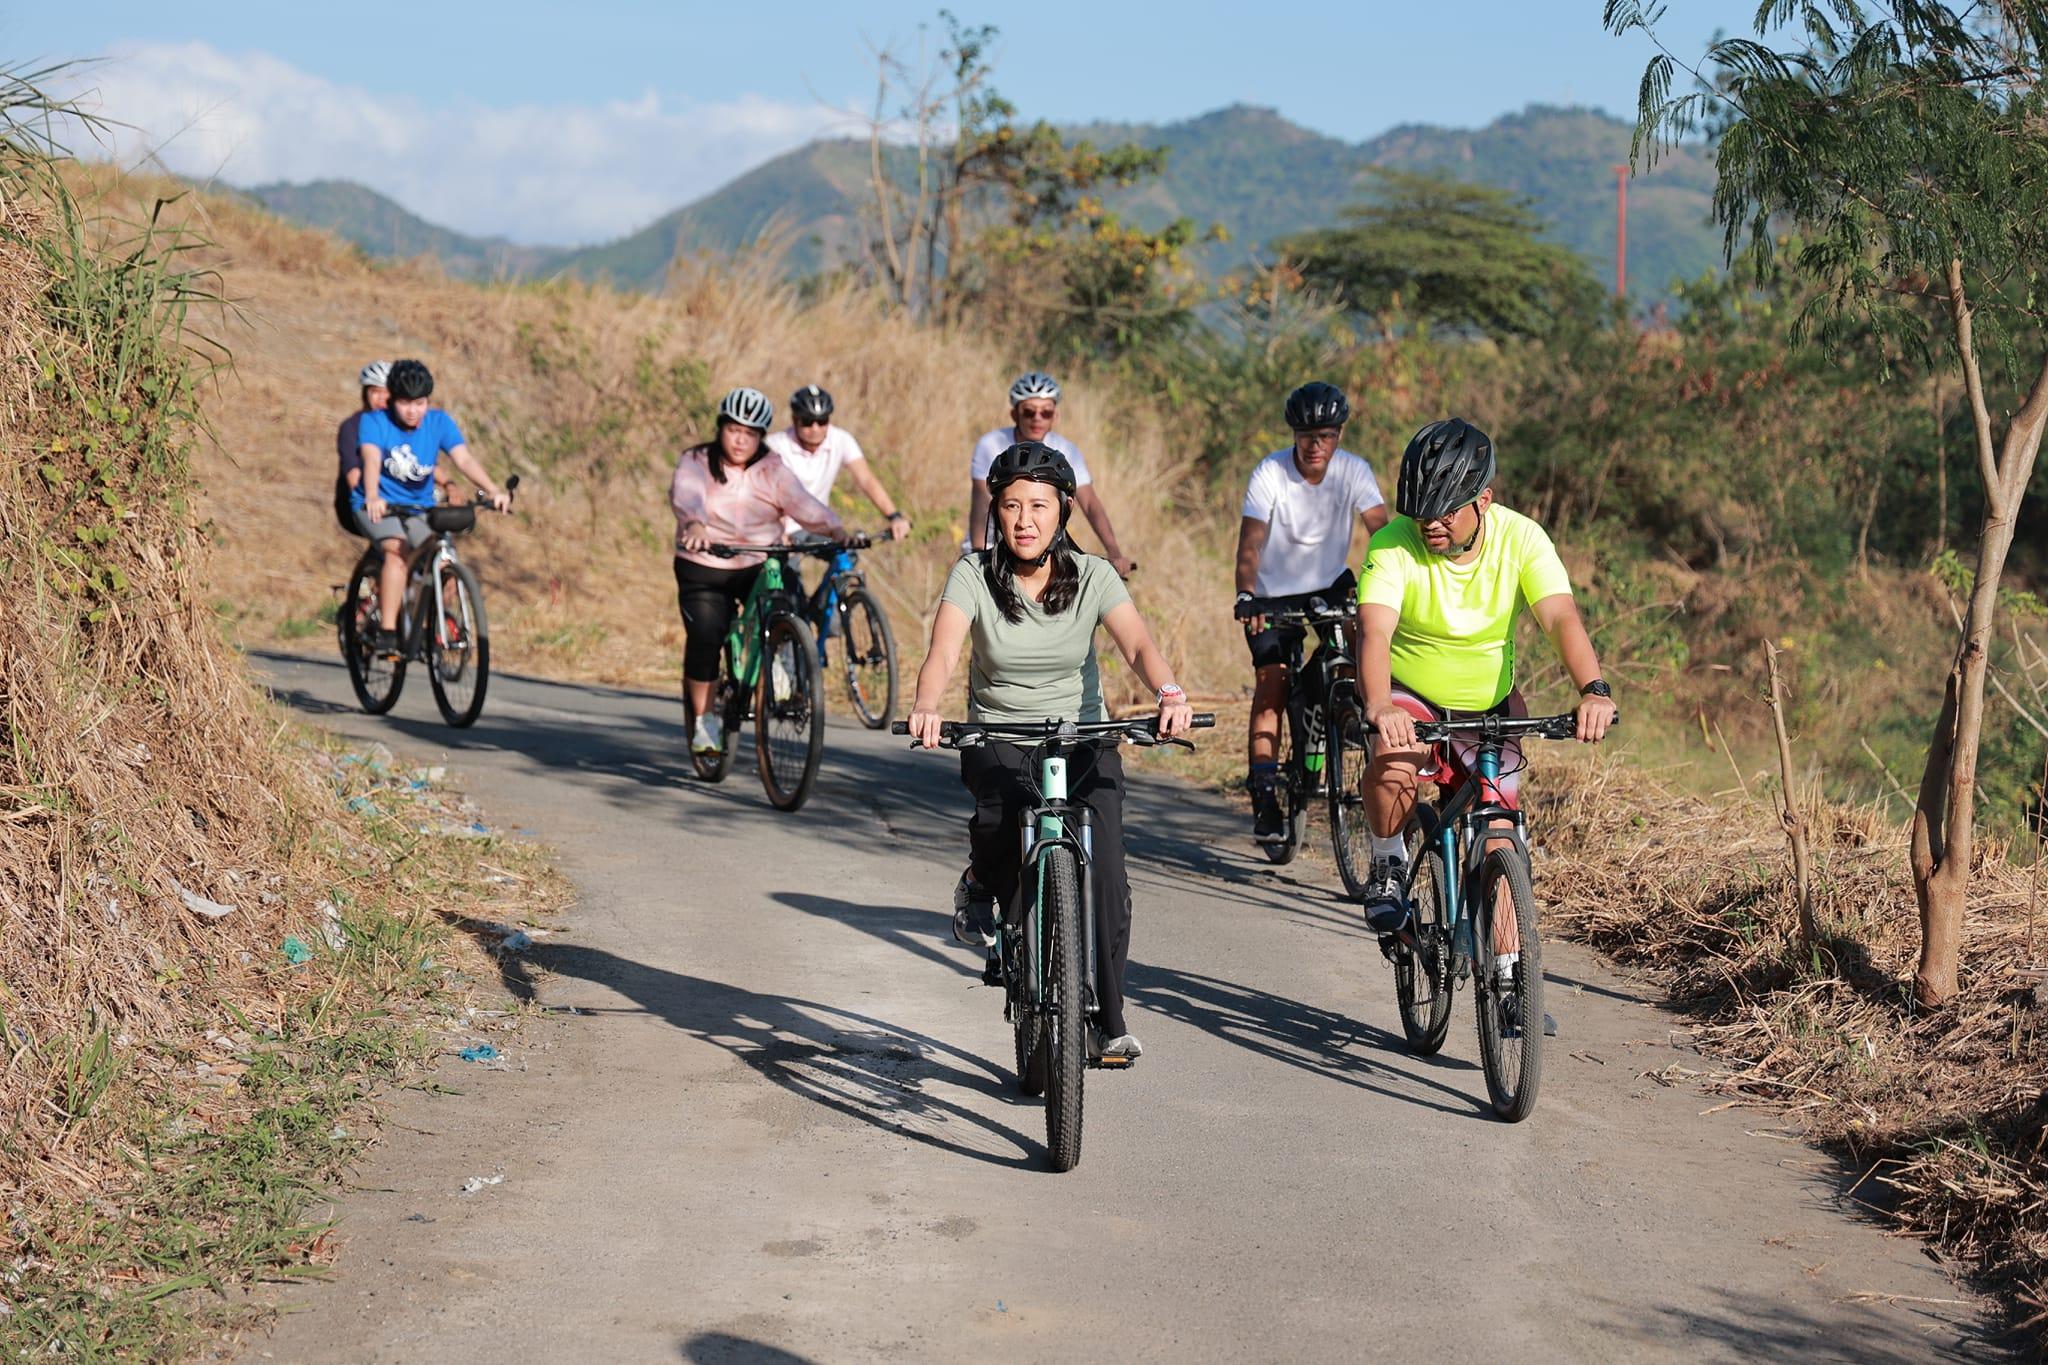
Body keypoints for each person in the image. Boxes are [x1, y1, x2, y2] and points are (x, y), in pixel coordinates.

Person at [908, 441, 1193, 1063]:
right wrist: (928, 704)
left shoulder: (1093, 575)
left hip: (1081, 738)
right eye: (1010, 506)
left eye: (1039, 505)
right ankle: (985, 884)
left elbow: (1138, 644)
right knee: (997, 827)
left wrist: (1168, 692)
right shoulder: (973, 574)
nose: (1024, 520)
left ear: (1064, 510)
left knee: (1111, 879)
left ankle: (1109, 1021)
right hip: (1000, 737)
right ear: (996, 512)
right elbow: (945, 653)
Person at [1355, 417, 1617, 974]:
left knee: (1500, 832)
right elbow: (1374, 632)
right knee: (1396, 763)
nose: (1432, 523)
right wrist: (1379, 705)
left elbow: (1561, 617)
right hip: (1411, 694)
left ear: (1484, 501)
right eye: (1422, 509)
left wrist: (1593, 690)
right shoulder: (1391, 545)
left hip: (1490, 705)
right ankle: (1387, 859)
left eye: (1447, 510)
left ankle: (1509, 976)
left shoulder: (1522, 539)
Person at [1235, 381, 1390, 842]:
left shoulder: (1354, 471)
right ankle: (1264, 793)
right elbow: (1251, 543)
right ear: (1294, 434)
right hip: (1272, 591)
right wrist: (1248, 594)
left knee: (1361, 649)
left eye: (1325, 434)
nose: (1315, 445)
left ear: (1339, 433)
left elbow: (1381, 534)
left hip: (1329, 583)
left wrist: (1391, 587)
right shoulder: (1271, 472)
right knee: (1273, 683)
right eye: (1306, 435)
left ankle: (1347, 732)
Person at [672, 386, 849, 756]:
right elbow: (687, 496)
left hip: (757, 560)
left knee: (787, 603)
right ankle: (705, 721)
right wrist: (695, 526)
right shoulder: (697, 460)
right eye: (734, 430)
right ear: (721, 428)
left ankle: (780, 671)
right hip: (705, 564)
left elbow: (801, 503)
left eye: (750, 433)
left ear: (760, 436)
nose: (740, 440)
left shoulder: (772, 468)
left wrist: (834, 528)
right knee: (706, 633)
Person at [354, 359, 512, 656]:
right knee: (397, 551)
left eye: (420, 403)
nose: (413, 411)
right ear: (392, 400)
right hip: (377, 504)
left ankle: (423, 623)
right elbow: (372, 459)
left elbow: (463, 460)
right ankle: (388, 631)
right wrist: (373, 495)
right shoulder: (375, 422)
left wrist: (493, 491)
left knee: (438, 557)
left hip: (419, 507)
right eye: (404, 403)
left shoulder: (439, 422)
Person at [967, 372, 1134, 577]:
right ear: (1014, 415)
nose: (1037, 418)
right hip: (993, 550)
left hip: (1043, 555)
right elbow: (981, 502)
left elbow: (1089, 502)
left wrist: (1114, 551)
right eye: (1029, 412)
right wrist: (978, 552)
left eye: (1045, 413)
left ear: (1055, 416)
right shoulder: (990, 445)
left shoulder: (1067, 450)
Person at [764, 384, 912, 541]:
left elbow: (866, 480)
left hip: (820, 527)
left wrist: (894, 517)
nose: (815, 428)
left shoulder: (841, 440)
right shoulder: (775, 446)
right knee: (788, 565)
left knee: (847, 556)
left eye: (822, 421)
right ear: (795, 420)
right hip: (782, 529)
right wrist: (779, 533)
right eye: (807, 422)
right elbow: (767, 495)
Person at [334, 360, 389, 535]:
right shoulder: (351, 427)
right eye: (375, 392)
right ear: (365, 394)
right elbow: (352, 474)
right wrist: (371, 497)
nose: (382, 398)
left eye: (387, 392)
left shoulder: (401, 426)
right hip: (356, 502)